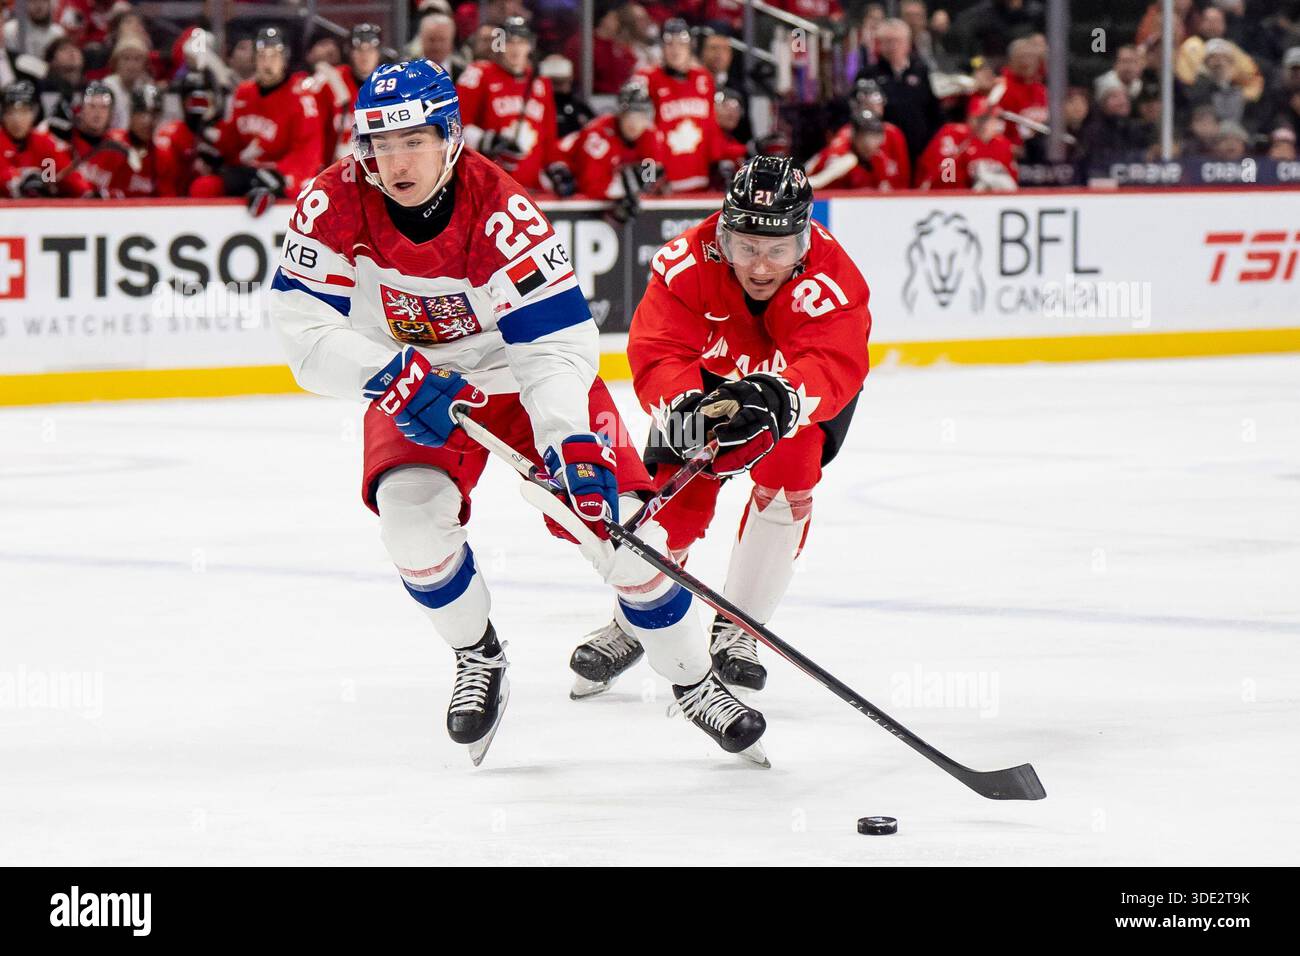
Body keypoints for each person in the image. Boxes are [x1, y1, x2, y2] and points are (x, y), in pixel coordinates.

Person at [267, 59, 767, 766]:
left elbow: (554, 345)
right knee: (409, 523)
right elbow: (302, 332)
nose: (393, 160)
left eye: (412, 139)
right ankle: (480, 656)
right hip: (413, 383)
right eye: (378, 143)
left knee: (618, 529)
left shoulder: (501, 211)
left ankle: (693, 682)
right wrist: (388, 374)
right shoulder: (334, 201)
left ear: (450, 135)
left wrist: (569, 441)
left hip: (525, 384)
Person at [566, 157, 871, 695]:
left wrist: (783, 398)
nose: (760, 266)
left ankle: (740, 627)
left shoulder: (835, 277)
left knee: (790, 477)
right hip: (708, 384)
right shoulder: (686, 262)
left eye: (777, 250)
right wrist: (684, 407)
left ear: (803, 242)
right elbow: (658, 349)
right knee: (677, 498)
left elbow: (835, 361)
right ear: (724, 234)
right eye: (747, 247)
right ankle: (637, 616)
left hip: (793, 391)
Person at [211, 26, 324, 214]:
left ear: (284, 58)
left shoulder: (301, 97)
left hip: (282, 180)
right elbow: (229, 144)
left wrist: (278, 179)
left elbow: (308, 153)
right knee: (206, 186)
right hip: (247, 176)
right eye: (262, 55)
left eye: (274, 56)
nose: (267, 63)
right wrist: (209, 131)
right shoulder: (243, 94)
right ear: (254, 59)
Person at [456, 16, 569, 193]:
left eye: (521, 42)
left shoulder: (541, 82)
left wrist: (557, 167)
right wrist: (484, 139)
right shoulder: (479, 74)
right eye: (509, 43)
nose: (515, 49)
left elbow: (548, 136)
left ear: (529, 46)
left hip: (531, 189)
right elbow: (455, 125)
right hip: (489, 186)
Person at [640, 17, 745, 192]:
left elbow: (711, 129)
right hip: (664, 185)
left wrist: (737, 154)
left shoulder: (703, 78)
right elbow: (639, 131)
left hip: (700, 180)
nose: (675, 50)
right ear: (662, 47)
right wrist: (649, 174)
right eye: (669, 44)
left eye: (681, 44)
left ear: (691, 47)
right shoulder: (647, 79)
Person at [563, 78, 664, 218]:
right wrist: (622, 188)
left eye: (641, 116)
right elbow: (590, 186)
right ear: (620, 114)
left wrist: (638, 189)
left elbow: (651, 179)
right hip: (556, 183)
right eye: (630, 115)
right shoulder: (598, 135)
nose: (635, 124)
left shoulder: (649, 133)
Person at [308, 23, 386, 165]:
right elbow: (311, 132)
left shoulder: (390, 85)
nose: (365, 55)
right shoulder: (330, 82)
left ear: (378, 52)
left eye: (370, 49)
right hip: (334, 169)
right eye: (359, 50)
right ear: (349, 52)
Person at [1, 79, 90, 197]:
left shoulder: (43, 142)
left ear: (35, 112)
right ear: (2, 115)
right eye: (11, 112)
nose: (17, 120)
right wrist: (22, 180)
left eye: (24, 112)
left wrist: (87, 192)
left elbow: (67, 175)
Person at [805, 109, 909, 190]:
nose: (872, 142)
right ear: (855, 135)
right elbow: (815, 182)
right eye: (866, 135)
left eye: (876, 134)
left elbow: (885, 189)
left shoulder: (877, 157)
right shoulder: (843, 156)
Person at [106, 82, 162, 196]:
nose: (147, 121)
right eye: (142, 113)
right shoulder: (111, 145)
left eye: (154, 114)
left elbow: (168, 201)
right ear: (131, 114)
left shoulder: (163, 155)